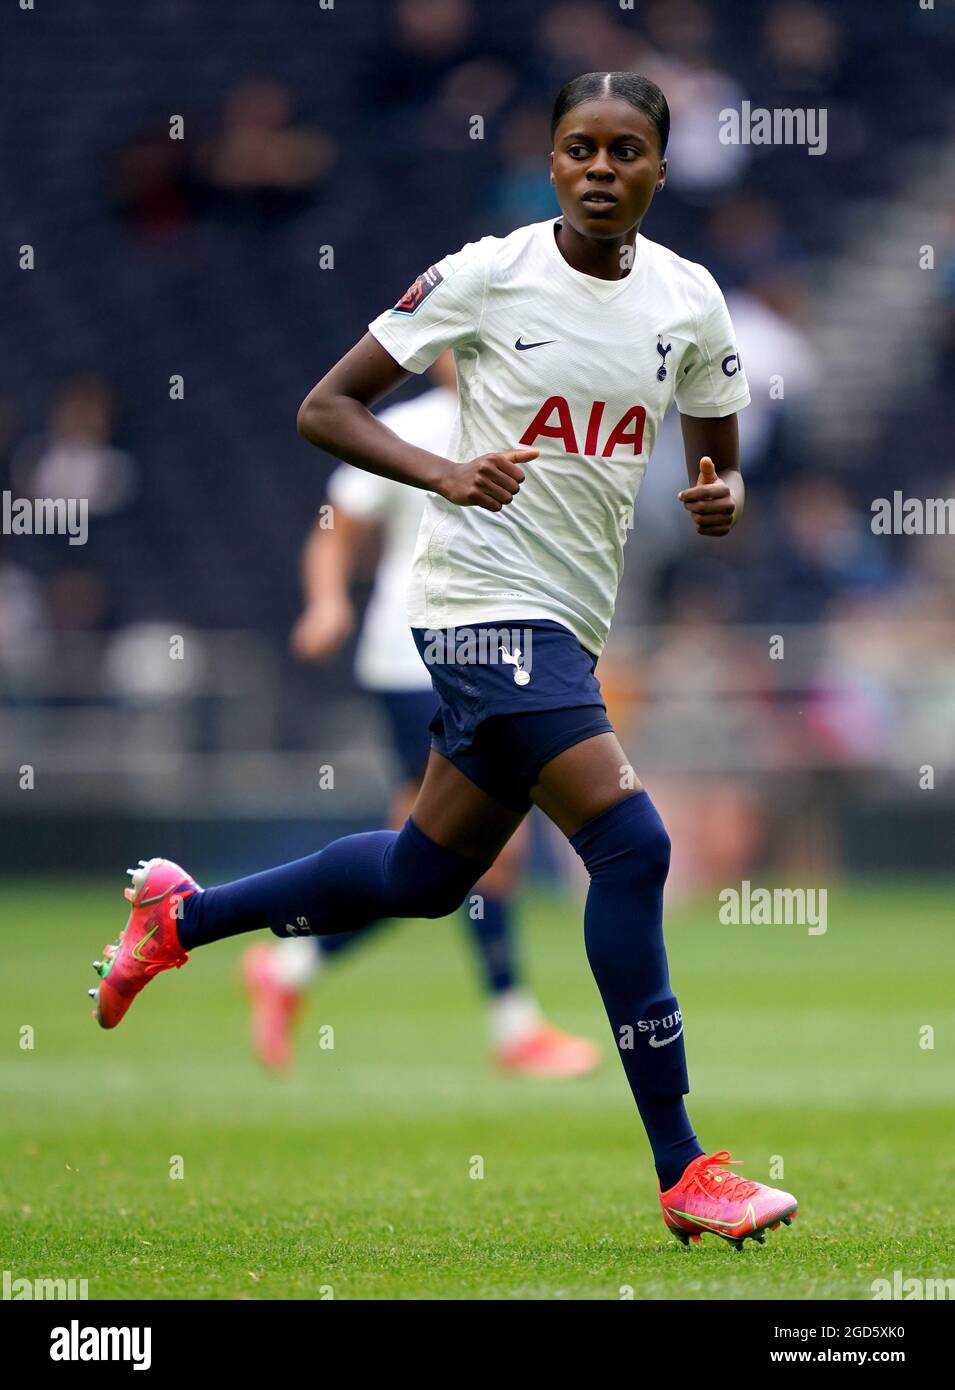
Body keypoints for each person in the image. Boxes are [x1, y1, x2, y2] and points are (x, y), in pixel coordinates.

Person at [89, 71, 798, 1249]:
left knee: (427, 875)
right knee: (631, 843)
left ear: (661, 170)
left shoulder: (691, 301)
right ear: (553, 159)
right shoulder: (487, 271)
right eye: (580, 147)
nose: (601, 169)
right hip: (478, 607)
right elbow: (327, 406)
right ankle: (685, 1168)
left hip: (566, 618)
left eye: (627, 151)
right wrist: (444, 472)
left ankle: (182, 917)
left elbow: (715, 452)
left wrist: (719, 492)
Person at [243, 350, 600, 1078]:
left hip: (498, 661)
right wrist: (328, 600)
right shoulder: (407, 429)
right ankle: (512, 1026)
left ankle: (289, 965)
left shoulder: (543, 433)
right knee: (474, 854)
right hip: (412, 663)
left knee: (430, 859)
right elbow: (335, 526)